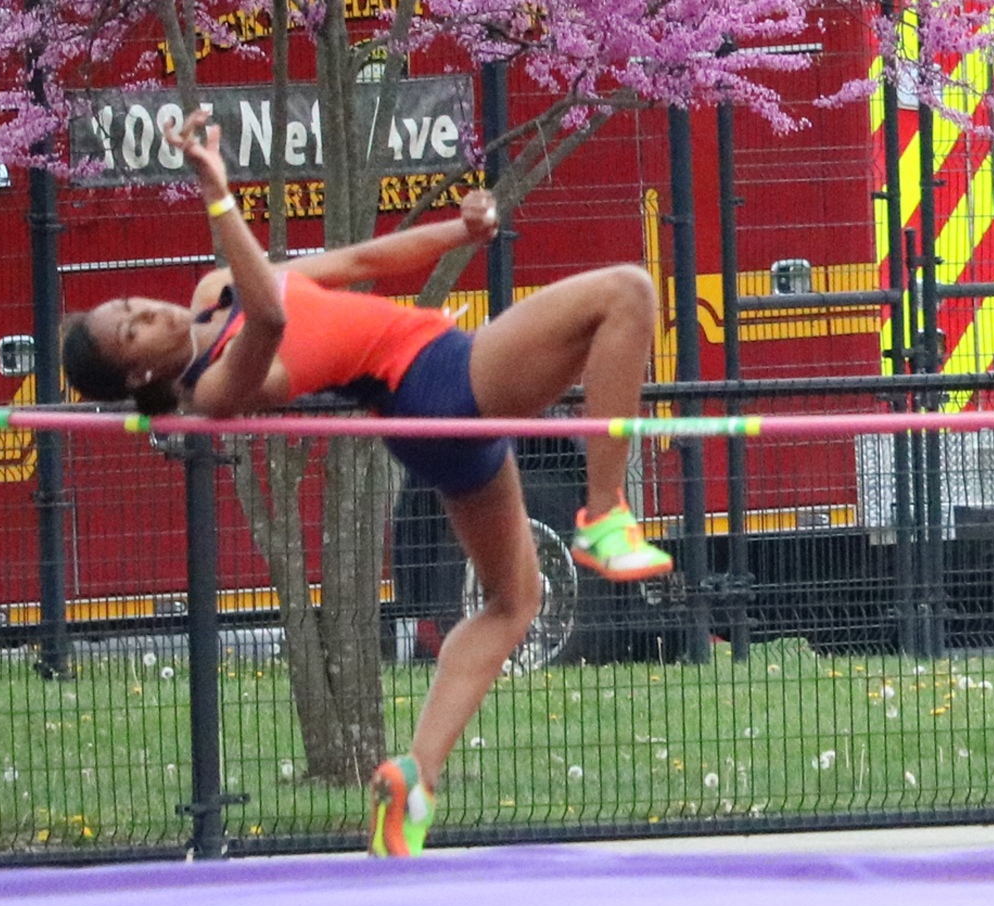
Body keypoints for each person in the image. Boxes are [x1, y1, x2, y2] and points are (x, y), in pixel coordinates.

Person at [60, 109, 674, 857]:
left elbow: (358, 263)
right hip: (437, 379)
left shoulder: (213, 286)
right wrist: (218, 192)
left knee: (514, 602)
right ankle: (606, 513)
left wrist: (460, 231)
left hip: (426, 407)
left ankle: (415, 775)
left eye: (130, 305)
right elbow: (273, 314)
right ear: (141, 372)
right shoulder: (217, 386)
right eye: (133, 331)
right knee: (628, 293)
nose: (148, 312)